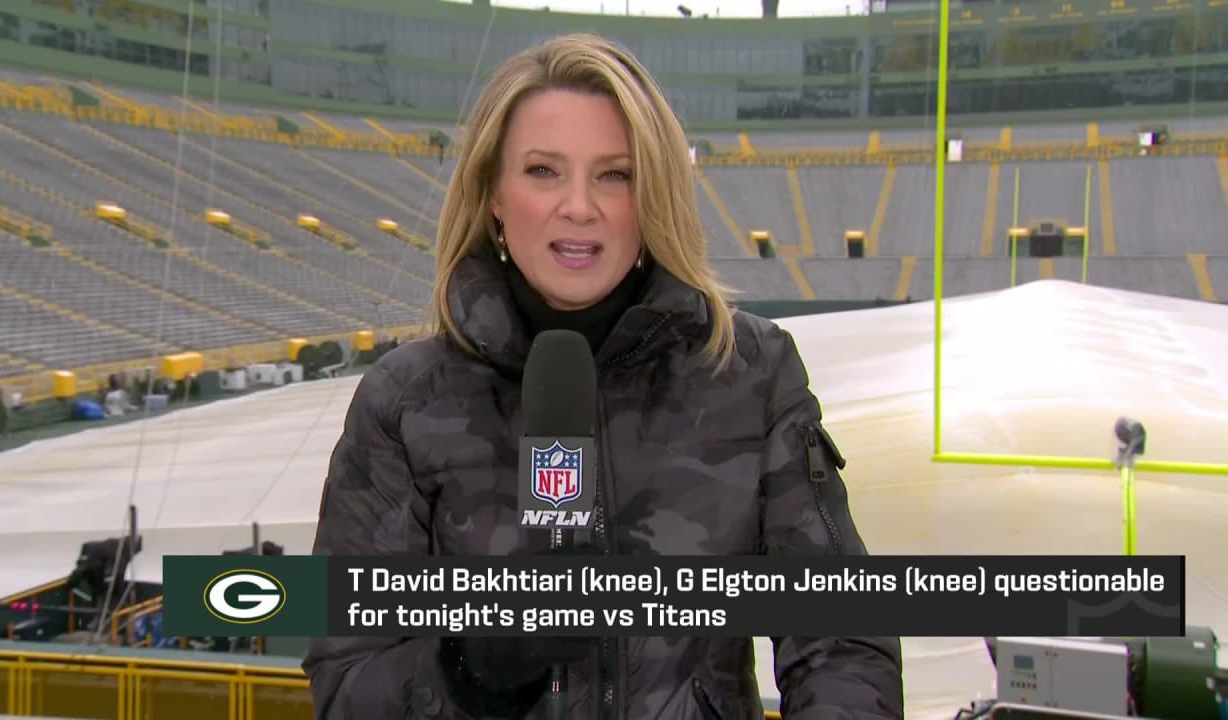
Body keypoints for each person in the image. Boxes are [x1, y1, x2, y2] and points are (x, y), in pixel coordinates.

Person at [304, 33, 903, 720]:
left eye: (614, 174)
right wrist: (469, 664)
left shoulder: (751, 374)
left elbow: (842, 638)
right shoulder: (403, 405)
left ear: (651, 196)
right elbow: (347, 682)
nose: (580, 207)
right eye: (543, 171)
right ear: (494, 194)